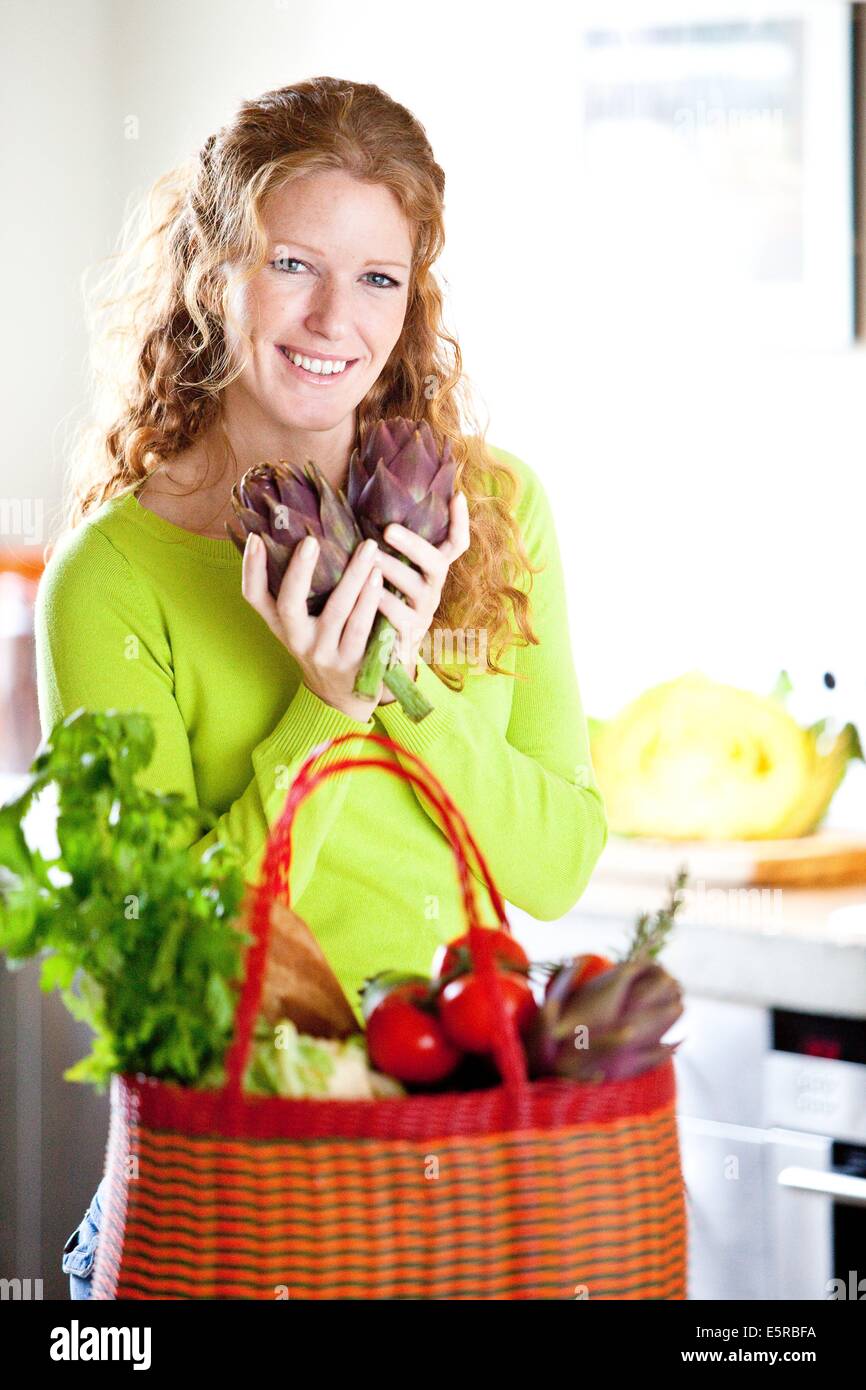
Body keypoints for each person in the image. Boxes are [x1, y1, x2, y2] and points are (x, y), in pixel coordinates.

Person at [37, 76, 608, 1300]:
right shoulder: (110, 578)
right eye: (292, 261)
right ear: (210, 269)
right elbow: (159, 964)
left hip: (458, 1202)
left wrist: (399, 679)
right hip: (226, 1210)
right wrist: (322, 711)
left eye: (378, 278)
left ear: (413, 303)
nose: (330, 317)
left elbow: (555, 864)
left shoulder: (496, 513)